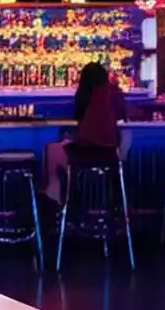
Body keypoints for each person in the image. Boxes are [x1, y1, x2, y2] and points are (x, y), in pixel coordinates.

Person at [42, 62, 127, 205]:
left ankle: (56, 198)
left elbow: (79, 121)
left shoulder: (85, 95)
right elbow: (123, 118)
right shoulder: (116, 94)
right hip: (111, 154)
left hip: (85, 153)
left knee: (52, 150)